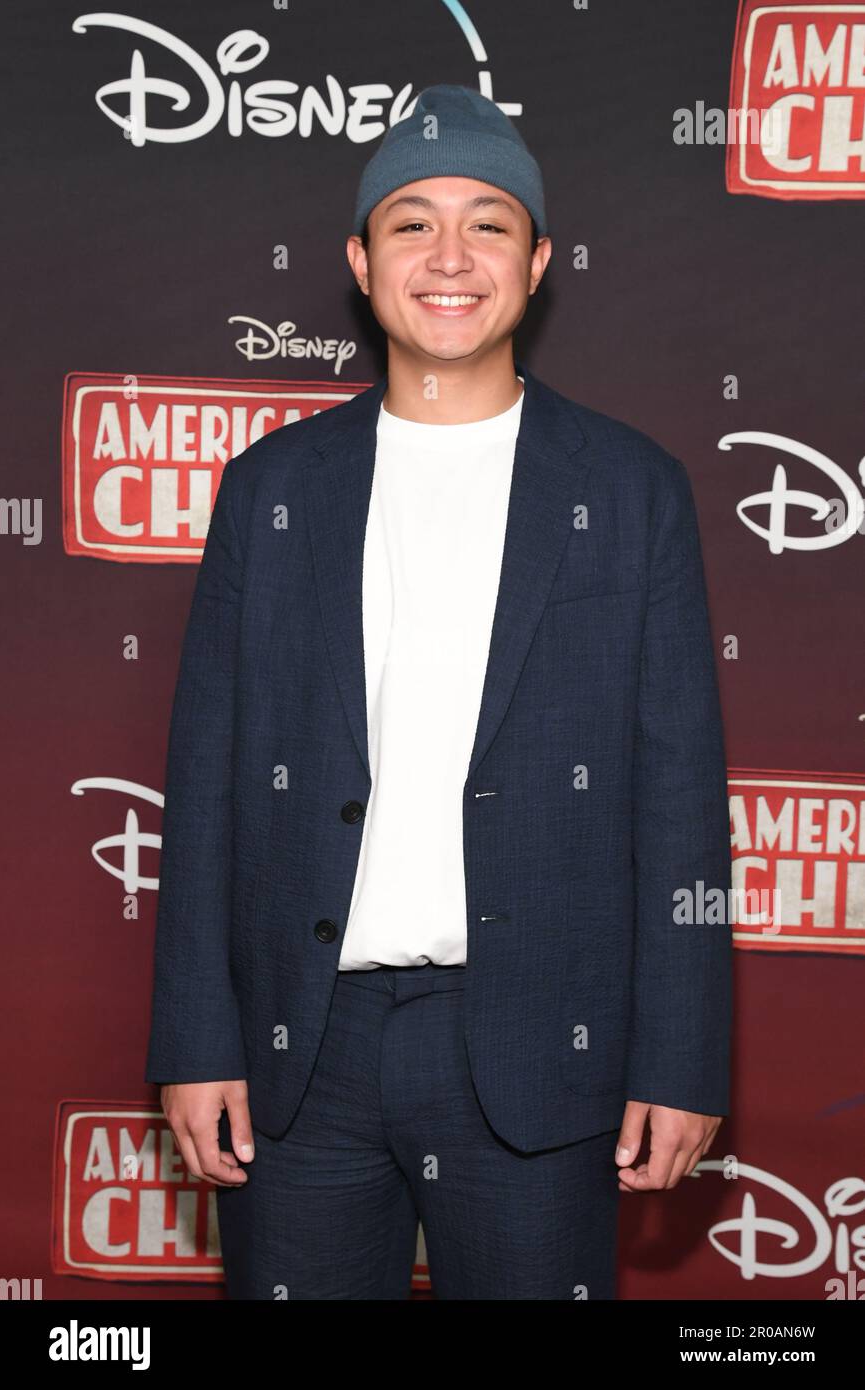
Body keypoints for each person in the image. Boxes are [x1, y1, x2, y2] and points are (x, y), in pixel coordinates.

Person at [145, 83, 733, 1300]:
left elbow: (680, 799)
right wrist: (195, 1036)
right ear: (362, 262)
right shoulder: (270, 489)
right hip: (302, 1055)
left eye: (487, 224)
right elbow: (204, 787)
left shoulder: (630, 490)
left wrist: (680, 1057)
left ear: (537, 261)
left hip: (534, 1048)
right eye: (411, 224)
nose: (450, 257)